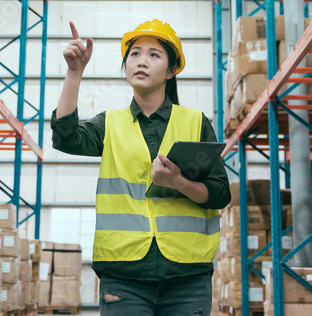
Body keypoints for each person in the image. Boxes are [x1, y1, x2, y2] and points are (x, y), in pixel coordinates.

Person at [51, 18, 231, 315]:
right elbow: (65, 137)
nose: (141, 61)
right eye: (134, 54)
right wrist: (74, 74)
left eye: (154, 54)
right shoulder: (110, 123)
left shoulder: (195, 122)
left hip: (187, 276)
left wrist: (179, 183)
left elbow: (220, 193)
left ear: (172, 71)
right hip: (124, 276)